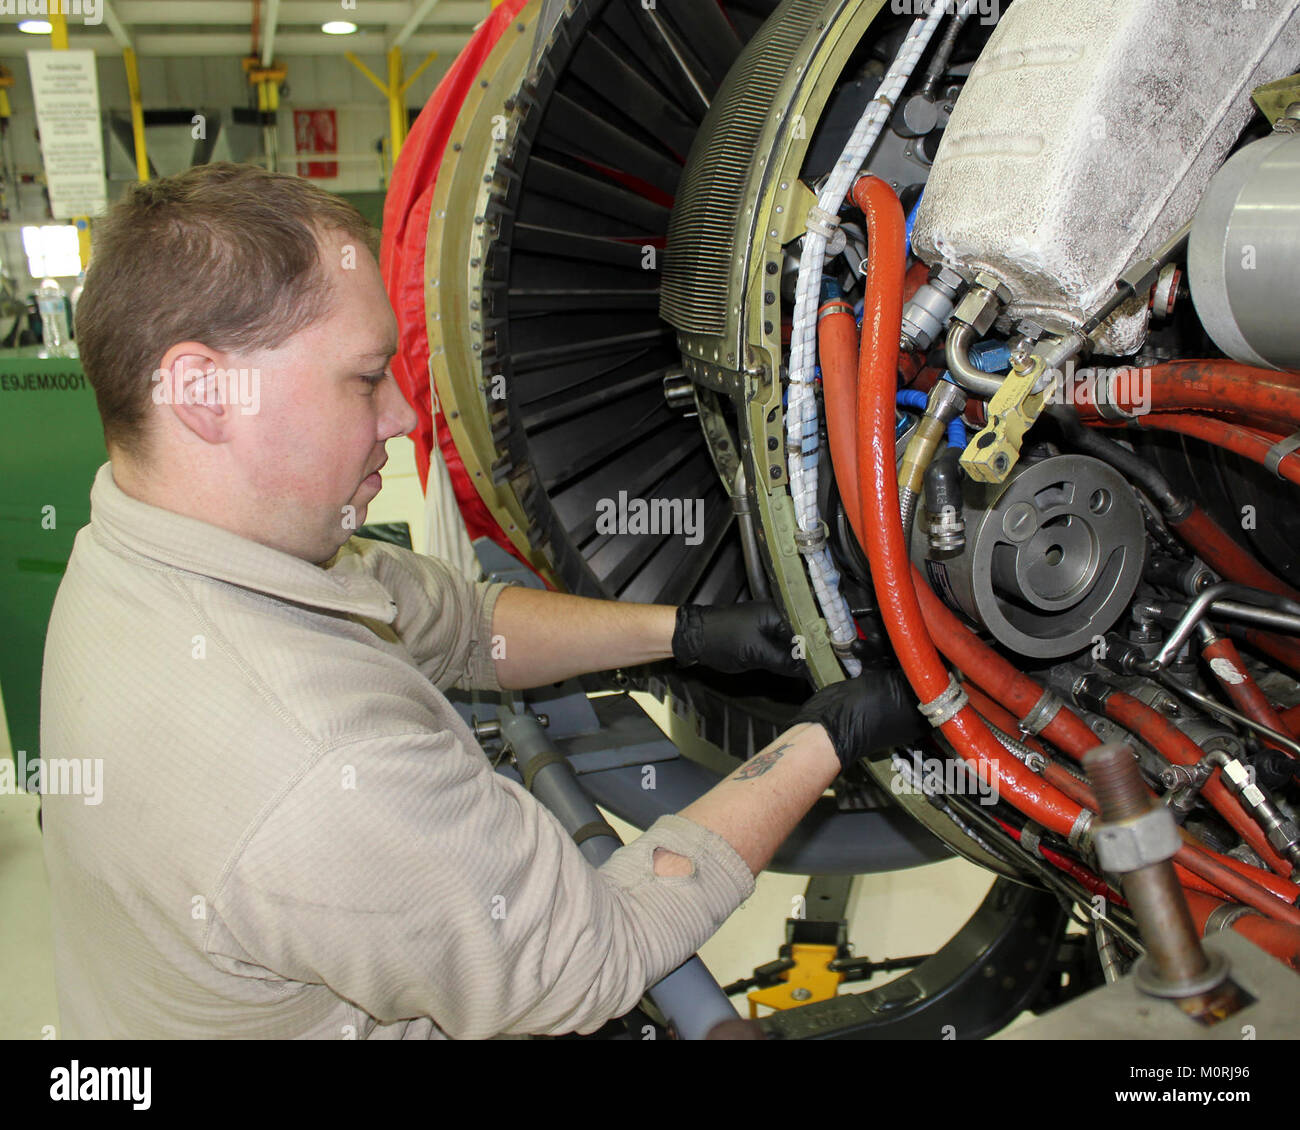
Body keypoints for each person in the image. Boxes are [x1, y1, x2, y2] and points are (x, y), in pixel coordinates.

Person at [39, 163, 921, 1039]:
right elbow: (597, 953)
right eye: (364, 378)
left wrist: (686, 633)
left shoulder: (145, 546)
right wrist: (823, 742)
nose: (403, 417)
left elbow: (459, 622)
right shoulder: (310, 760)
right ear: (204, 393)